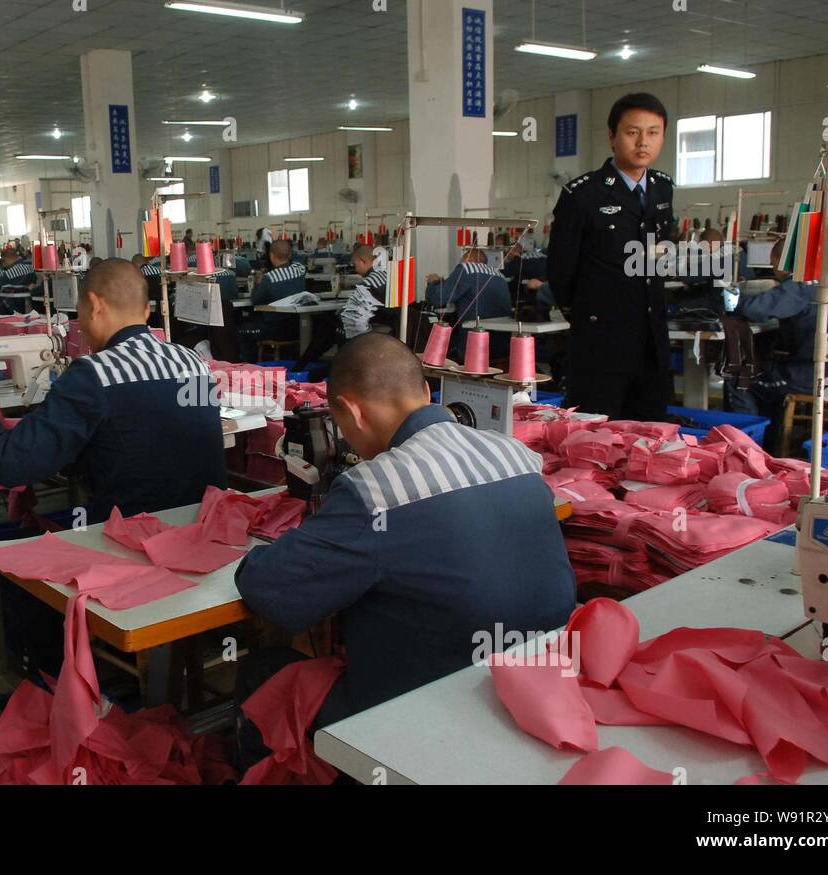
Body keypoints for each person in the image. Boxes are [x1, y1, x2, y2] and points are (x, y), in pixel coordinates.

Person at [233, 334, 576, 771]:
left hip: (426, 717)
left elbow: (271, 593)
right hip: (534, 696)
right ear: (427, 392)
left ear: (351, 410)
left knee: (263, 670)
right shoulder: (515, 456)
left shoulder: (376, 489)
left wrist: (259, 555)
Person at [0, 258, 227, 521]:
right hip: (208, 532)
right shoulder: (195, 362)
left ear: (95, 305)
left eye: (79, 312)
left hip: (135, 543)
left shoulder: (92, 374)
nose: (80, 325)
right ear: (145, 311)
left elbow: (9, 464)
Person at [547, 92, 676, 420]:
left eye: (653, 132)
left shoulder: (662, 188)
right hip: (600, 346)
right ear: (612, 137)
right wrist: (593, 316)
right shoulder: (583, 195)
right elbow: (561, 272)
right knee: (595, 445)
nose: (643, 142)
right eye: (632, 132)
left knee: (651, 442)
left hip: (652, 344)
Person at [725, 238, 828, 447]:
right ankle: (771, 437)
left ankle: (748, 447)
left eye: (774, 266)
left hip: (816, 377)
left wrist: (729, 300)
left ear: (780, 263)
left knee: (738, 376)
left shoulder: (800, 286)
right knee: (768, 370)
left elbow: (754, 309)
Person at [250, 239, 306, 342]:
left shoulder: (269, 278)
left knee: (243, 330)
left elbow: (255, 300)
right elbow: (298, 260)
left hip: (275, 329)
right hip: (297, 326)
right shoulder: (300, 269)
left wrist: (257, 283)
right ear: (290, 254)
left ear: (271, 255)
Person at [337, 243, 389, 341]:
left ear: (363, 261)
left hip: (373, 327)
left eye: (355, 264)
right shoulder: (388, 274)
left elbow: (354, 319)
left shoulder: (369, 282)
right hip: (391, 322)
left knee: (332, 324)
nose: (355, 269)